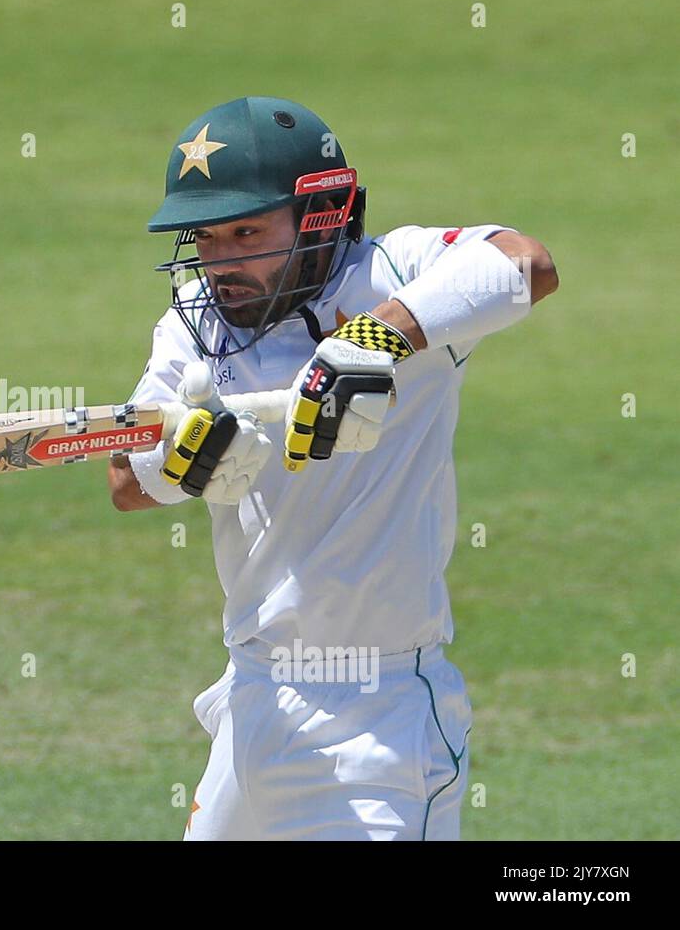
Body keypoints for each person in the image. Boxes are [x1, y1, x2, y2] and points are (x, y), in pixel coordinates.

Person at [107, 96, 558, 840]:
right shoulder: (198, 317)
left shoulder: (395, 269)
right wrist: (184, 459)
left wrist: (381, 335)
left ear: (318, 214)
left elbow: (525, 263)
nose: (223, 262)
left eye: (247, 231)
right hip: (250, 701)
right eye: (207, 237)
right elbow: (126, 481)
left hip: (374, 725)